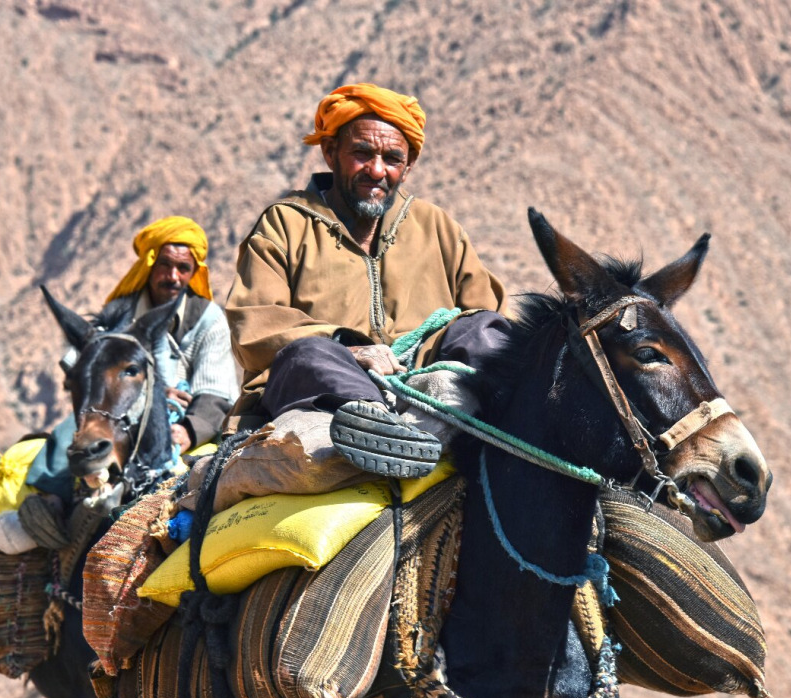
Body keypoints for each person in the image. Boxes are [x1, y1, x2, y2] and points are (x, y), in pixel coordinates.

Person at [225, 83, 508, 477]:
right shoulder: (284, 224)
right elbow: (254, 325)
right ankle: (377, 427)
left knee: (485, 331)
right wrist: (350, 349)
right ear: (330, 153)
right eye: (362, 153)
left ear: (407, 167)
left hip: (421, 380)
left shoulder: (437, 227)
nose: (377, 170)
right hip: (321, 386)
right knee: (308, 353)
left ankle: (439, 420)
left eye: (392, 158)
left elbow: (486, 314)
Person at [101, 216, 239, 452]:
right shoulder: (119, 316)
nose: (173, 276)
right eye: (165, 265)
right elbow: (97, 379)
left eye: (183, 268)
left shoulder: (211, 321)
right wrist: (151, 396)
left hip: (192, 426)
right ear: (150, 265)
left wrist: (187, 431)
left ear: (193, 272)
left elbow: (213, 393)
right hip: (122, 421)